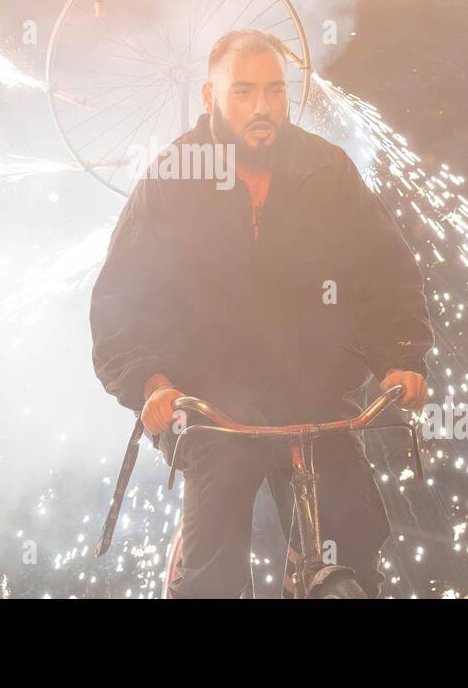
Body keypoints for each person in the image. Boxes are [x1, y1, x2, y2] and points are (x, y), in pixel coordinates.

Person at [89, 29, 433, 598]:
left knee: (353, 529)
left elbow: (385, 274)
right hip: (210, 399)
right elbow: (123, 296)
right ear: (210, 95)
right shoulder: (173, 176)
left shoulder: (327, 170)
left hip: (314, 390)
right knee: (214, 551)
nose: (262, 108)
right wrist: (150, 384)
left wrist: (402, 357)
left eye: (275, 92)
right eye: (244, 92)